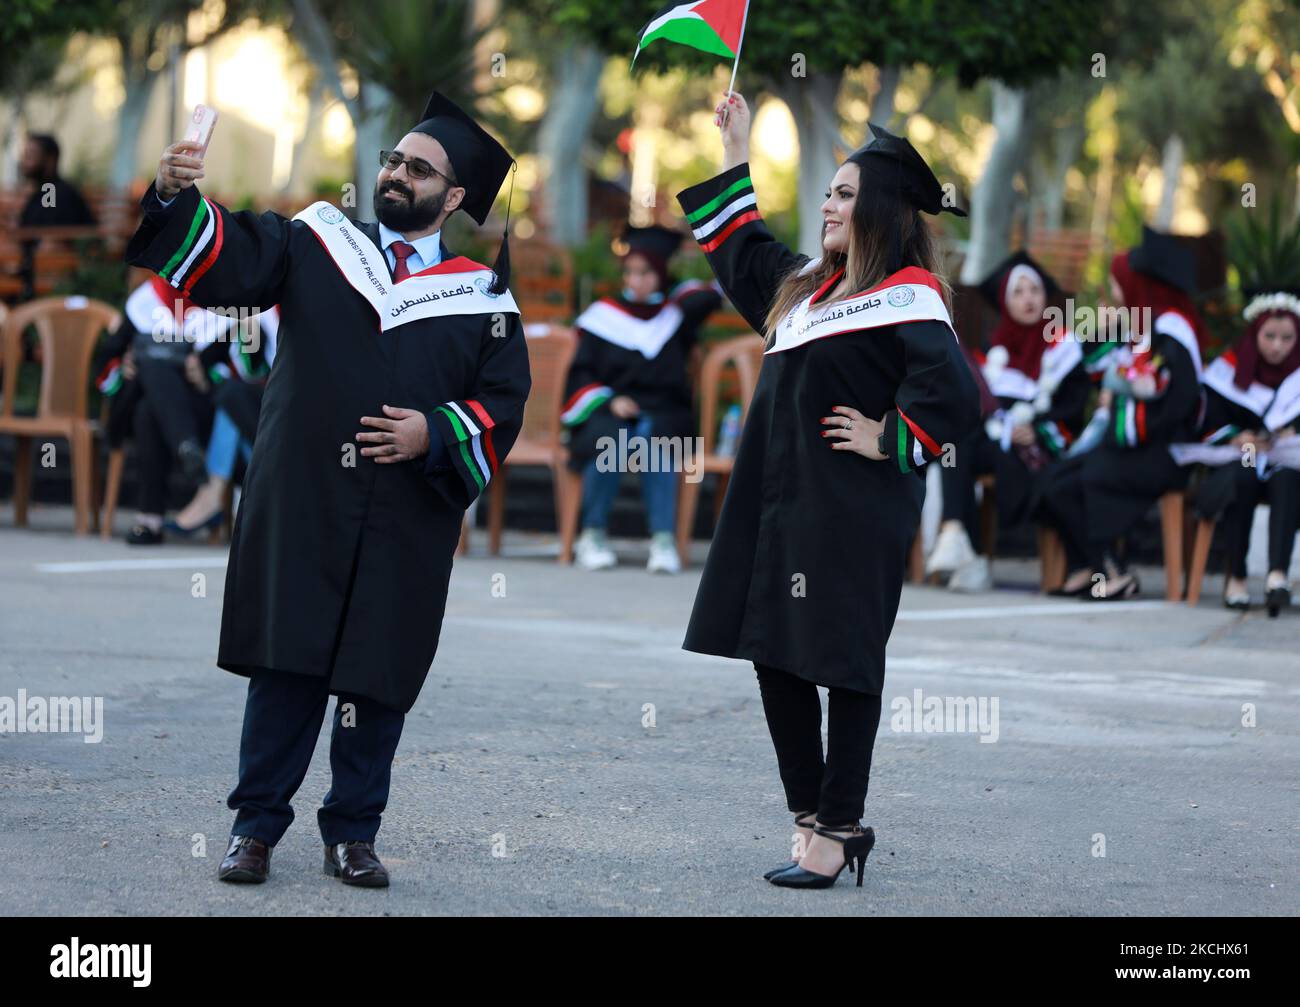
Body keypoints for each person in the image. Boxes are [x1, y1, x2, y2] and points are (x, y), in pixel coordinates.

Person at [124, 90, 531, 887]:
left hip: (405, 508)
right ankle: (254, 827)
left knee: (376, 670)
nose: (396, 173)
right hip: (306, 491)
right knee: (288, 660)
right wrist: (176, 196)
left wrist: (433, 432)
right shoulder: (318, 240)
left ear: (452, 198)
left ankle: (354, 830)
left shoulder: (481, 298)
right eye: (392, 159)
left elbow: (502, 404)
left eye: (419, 168)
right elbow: (230, 260)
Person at [676, 92, 980, 888]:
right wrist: (733, 150)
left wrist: (892, 437)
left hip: (853, 511)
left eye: (845, 193)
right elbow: (743, 251)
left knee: (843, 665)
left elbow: (953, 396)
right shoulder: (807, 291)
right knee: (772, 652)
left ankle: (837, 828)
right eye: (830, 191)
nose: (829, 203)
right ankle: (814, 818)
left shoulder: (909, 297)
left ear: (879, 209)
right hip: (776, 507)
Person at [1040, 226, 1207, 599]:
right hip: (1133, 443)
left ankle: (1112, 570)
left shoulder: (1172, 333)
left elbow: (1172, 406)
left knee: (1093, 475)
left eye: (1118, 284)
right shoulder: (1144, 327)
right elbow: (1104, 371)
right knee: (1057, 479)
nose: (1113, 293)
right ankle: (1089, 565)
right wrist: (1103, 331)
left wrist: (1116, 404)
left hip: (1165, 449)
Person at [561, 224, 721, 573]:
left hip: (664, 411)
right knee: (613, 439)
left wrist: (675, 286)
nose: (636, 280)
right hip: (611, 410)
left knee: (656, 440)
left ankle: (663, 541)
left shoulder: (676, 315)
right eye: (630, 272)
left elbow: (710, 295)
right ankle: (593, 533)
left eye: (646, 272)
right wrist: (609, 399)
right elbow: (582, 373)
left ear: (660, 274)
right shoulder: (602, 317)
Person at [928, 251, 1090, 591]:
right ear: (1004, 300)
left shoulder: (1063, 346)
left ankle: (963, 545)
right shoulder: (993, 348)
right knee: (956, 445)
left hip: (1040, 447)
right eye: (1018, 292)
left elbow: (1074, 408)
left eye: (1034, 290)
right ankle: (961, 540)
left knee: (962, 448)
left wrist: (1036, 429)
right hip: (995, 443)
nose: (1029, 298)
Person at [1188, 290, 1300, 614]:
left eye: (1287, 338)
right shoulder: (1229, 369)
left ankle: (1277, 576)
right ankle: (1235, 575)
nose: (1277, 345)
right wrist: (1238, 437)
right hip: (1242, 456)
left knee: (1288, 479)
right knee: (1244, 477)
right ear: (1255, 333)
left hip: (1285, 459)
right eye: (1270, 336)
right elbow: (1204, 422)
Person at [93, 275, 222, 543]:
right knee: (149, 390)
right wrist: (124, 367)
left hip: (203, 409)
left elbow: (247, 371)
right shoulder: (144, 302)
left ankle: (149, 519)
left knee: (148, 409)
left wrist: (205, 376)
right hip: (148, 409)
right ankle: (185, 447)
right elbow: (105, 365)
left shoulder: (227, 302)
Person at [167, 307, 280, 536]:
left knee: (231, 397)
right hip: (251, 412)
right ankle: (255, 493)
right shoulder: (250, 311)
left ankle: (212, 494)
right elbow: (245, 371)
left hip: (290, 408)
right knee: (230, 398)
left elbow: (255, 375)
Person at [16, 134, 97, 300]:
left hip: (50, 279)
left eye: (31, 155)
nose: (24, 161)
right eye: (24, 155)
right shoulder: (46, 190)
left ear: (50, 160)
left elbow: (52, 236)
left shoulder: (52, 191)